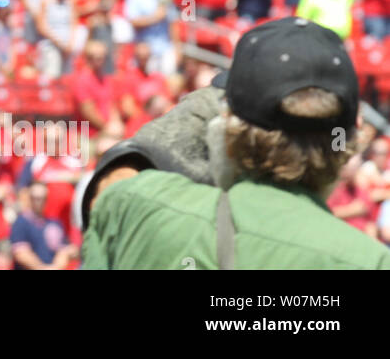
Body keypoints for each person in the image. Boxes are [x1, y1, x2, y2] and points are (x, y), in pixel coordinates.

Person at [83, 17, 390, 269]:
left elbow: (109, 197)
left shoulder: (143, 211)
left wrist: (211, 118)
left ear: (226, 121)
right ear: (356, 128)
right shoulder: (370, 261)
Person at [9, 180, 77, 270]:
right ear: (28, 198)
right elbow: (21, 254)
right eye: (36, 198)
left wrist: (65, 254)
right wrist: (45, 268)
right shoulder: (21, 223)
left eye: (43, 198)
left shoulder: (55, 222)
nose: (39, 202)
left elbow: (69, 249)